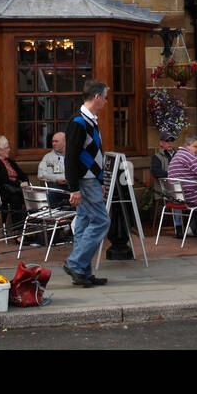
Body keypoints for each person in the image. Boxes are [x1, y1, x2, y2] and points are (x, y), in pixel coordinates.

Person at [62, 80, 112, 288]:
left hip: (91, 179)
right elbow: (71, 156)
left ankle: (83, 272)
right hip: (84, 180)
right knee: (102, 221)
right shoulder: (78, 122)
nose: (107, 102)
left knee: (83, 223)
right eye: (106, 98)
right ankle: (75, 263)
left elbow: (95, 154)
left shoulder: (90, 120)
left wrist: (100, 180)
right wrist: (74, 188)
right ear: (97, 97)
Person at [0, 134, 30, 233]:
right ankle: (18, 233)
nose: (9, 150)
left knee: (30, 198)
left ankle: (29, 230)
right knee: (16, 199)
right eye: (6, 148)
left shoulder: (10, 162)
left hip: (12, 190)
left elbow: (22, 174)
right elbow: (2, 180)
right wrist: (19, 185)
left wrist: (25, 181)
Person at [151, 133, 181, 237]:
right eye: (167, 141)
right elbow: (155, 172)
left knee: (194, 194)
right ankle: (179, 227)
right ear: (161, 143)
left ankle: (195, 226)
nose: (170, 143)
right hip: (164, 189)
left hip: (180, 185)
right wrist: (172, 173)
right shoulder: (157, 157)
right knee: (177, 197)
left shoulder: (178, 155)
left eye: (171, 141)